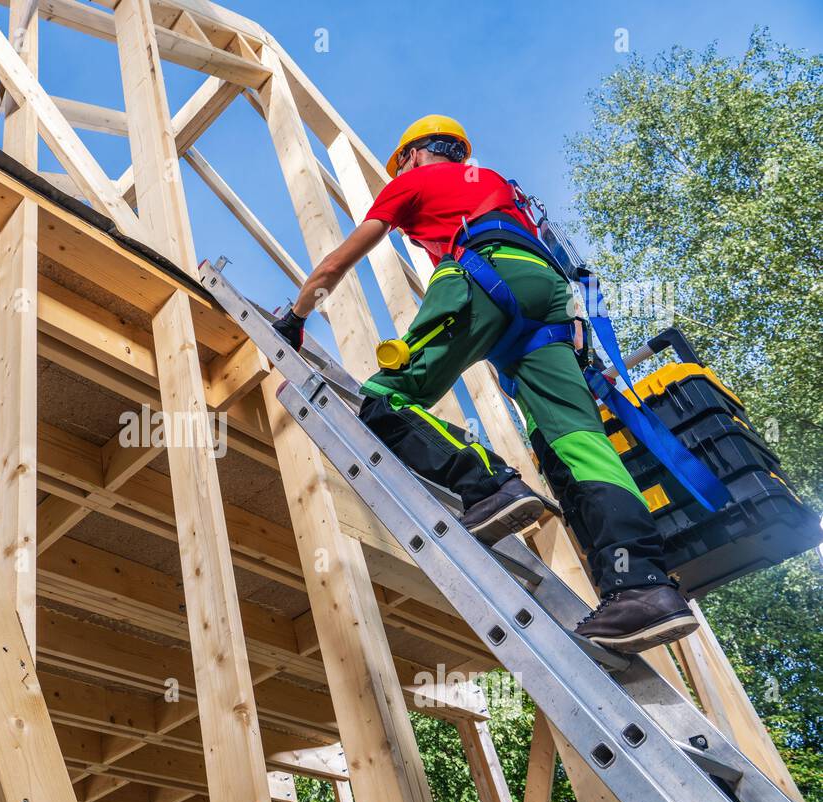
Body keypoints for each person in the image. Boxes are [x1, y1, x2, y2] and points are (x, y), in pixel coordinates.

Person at [271, 115, 698, 653]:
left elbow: (338, 262)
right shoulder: (499, 186)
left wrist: (296, 316)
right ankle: (642, 588)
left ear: (414, 155)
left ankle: (490, 486)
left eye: (399, 162)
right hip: (551, 306)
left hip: (484, 277)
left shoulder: (413, 182)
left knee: (384, 399)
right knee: (579, 445)